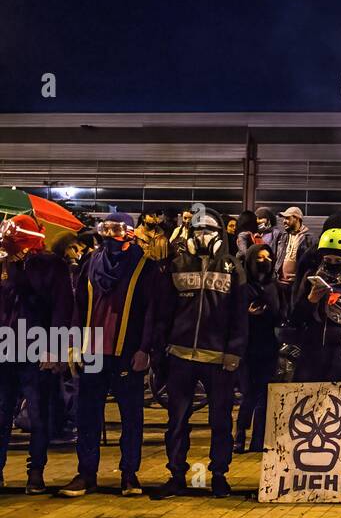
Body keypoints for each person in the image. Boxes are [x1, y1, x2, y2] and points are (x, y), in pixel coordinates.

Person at [57, 213, 170, 497]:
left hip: (127, 350)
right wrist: (73, 343)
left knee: (131, 416)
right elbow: (79, 305)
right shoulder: (92, 263)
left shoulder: (145, 267)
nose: (109, 237)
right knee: (88, 415)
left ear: (130, 234)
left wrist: (145, 349)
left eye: (115, 231)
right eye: (105, 231)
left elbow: (153, 313)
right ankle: (86, 474)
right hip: (93, 349)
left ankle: (129, 474)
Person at [151, 213, 248, 498]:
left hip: (218, 359)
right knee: (177, 419)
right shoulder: (177, 266)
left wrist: (234, 352)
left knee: (220, 420)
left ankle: (218, 475)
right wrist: (160, 350)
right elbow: (163, 313)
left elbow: (239, 316)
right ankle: (177, 474)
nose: (203, 234)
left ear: (220, 234)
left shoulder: (232, 267)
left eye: (209, 229)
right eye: (198, 229)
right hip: (180, 355)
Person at [0, 215, 66, 494]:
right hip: (5, 348)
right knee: (1, 414)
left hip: (36, 349)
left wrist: (56, 349)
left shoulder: (50, 265)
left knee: (38, 414)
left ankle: (35, 472)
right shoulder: (3, 264)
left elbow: (61, 307)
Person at [287, 229, 341, 384]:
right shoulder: (311, 278)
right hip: (313, 343)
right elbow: (295, 318)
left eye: (338, 261)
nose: (332, 264)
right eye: (328, 259)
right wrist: (310, 300)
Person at [235, 244, 281, 453]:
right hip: (246, 346)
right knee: (249, 394)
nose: (265, 261)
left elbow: (280, 314)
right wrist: (246, 314)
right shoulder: (242, 285)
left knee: (264, 394)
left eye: (268, 257)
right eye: (260, 258)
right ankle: (240, 434)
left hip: (267, 346)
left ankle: (259, 439)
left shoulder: (273, 286)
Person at [273, 207, 312, 307]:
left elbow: (310, 263)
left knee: (293, 309)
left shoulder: (307, 238)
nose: (284, 221)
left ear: (297, 218)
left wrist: (301, 277)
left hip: (296, 284)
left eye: (287, 218)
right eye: (283, 219)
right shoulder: (283, 236)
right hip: (280, 281)